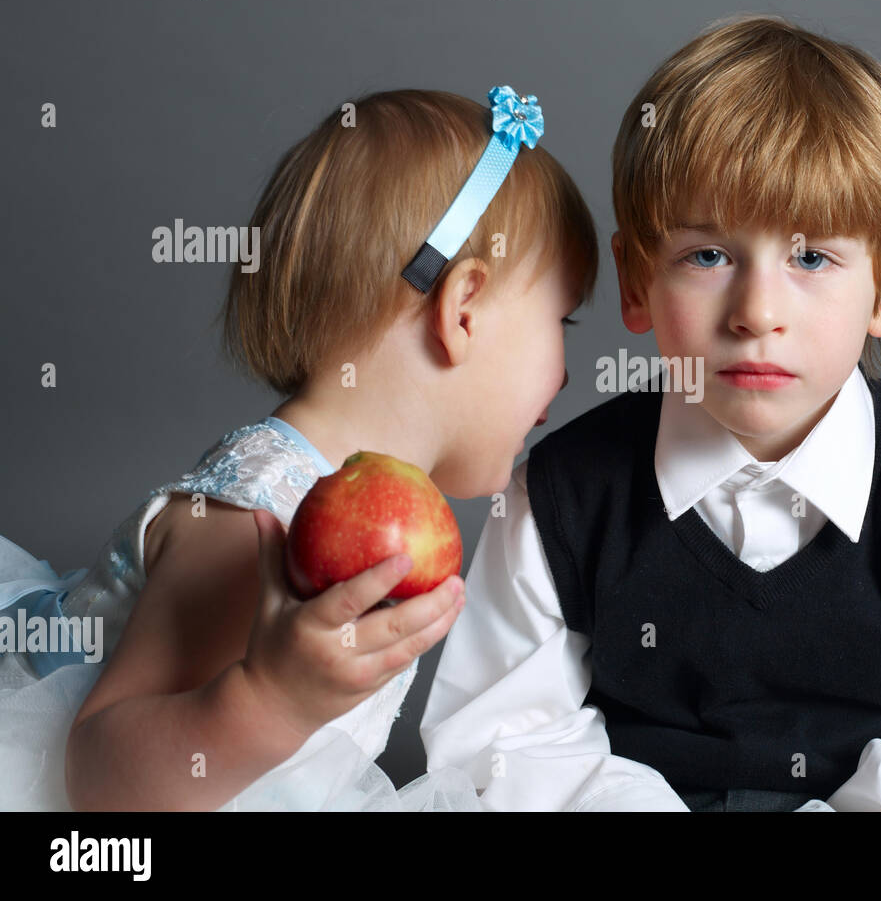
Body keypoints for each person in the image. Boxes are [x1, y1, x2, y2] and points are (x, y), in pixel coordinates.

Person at [419, 16, 881, 811]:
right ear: (635, 282)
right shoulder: (562, 495)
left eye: (812, 257)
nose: (758, 311)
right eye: (708, 256)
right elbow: (499, 742)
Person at [0, 85, 599, 810]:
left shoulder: (358, 509)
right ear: (462, 310)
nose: (566, 373)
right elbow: (98, 782)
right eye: (560, 323)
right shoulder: (255, 519)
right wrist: (268, 703)